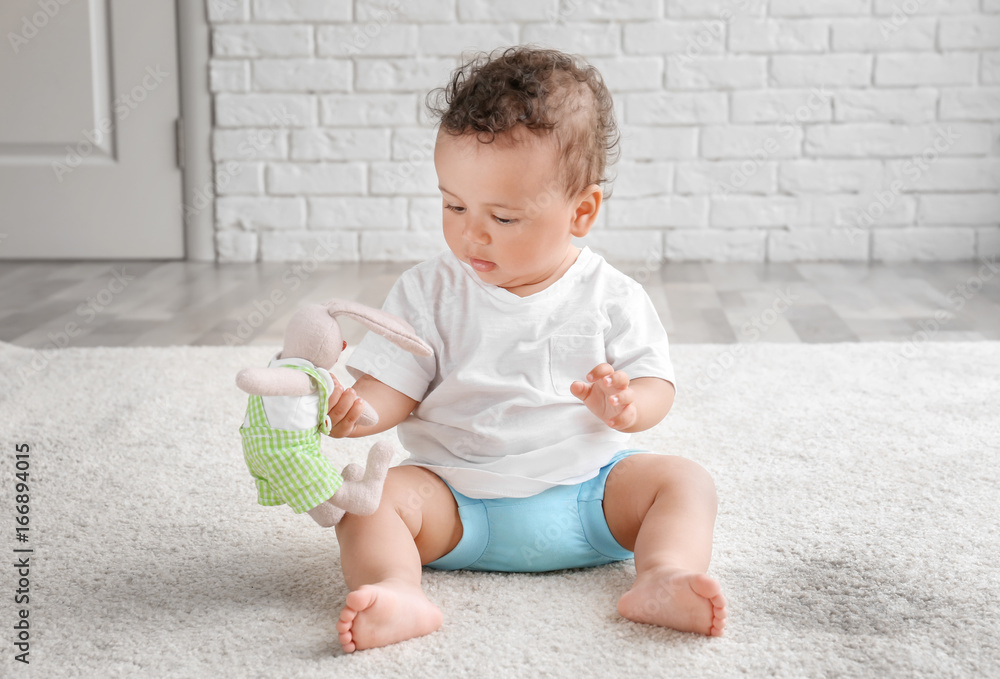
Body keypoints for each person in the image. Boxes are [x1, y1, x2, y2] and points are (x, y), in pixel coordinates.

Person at [325, 46, 727, 653]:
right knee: (365, 499)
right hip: (456, 501)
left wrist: (627, 407)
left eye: (504, 218)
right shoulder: (427, 291)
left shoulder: (611, 294)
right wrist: (356, 410)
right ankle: (398, 588)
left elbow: (655, 385)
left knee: (685, 482)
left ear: (582, 211)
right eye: (453, 205)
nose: (471, 232)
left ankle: (664, 574)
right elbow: (394, 386)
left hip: (590, 494)